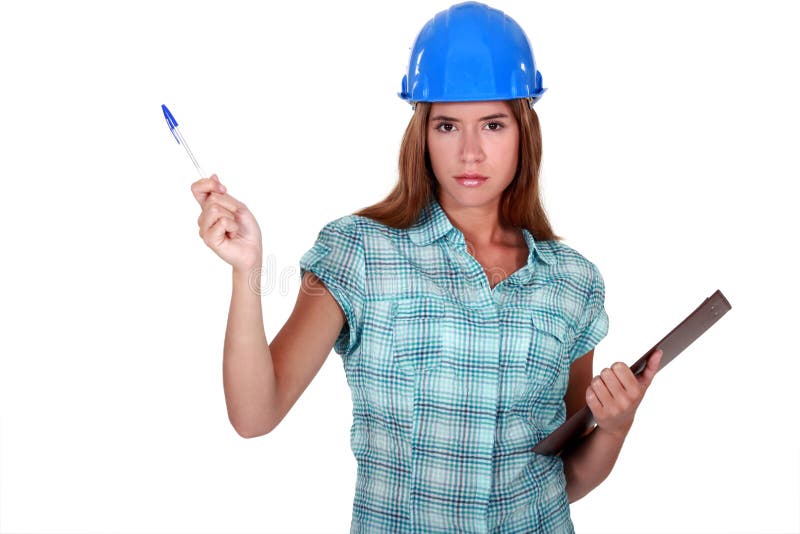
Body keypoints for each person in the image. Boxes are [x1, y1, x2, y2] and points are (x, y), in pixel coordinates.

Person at [190, 2, 663, 532]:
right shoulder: (360, 253)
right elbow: (256, 415)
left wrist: (616, 427)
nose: (469, 152)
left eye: (491, 124)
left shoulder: (572, 282)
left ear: (523, 129)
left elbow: (564, 478)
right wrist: (246, 270)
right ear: (422, 133)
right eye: (446, 125)